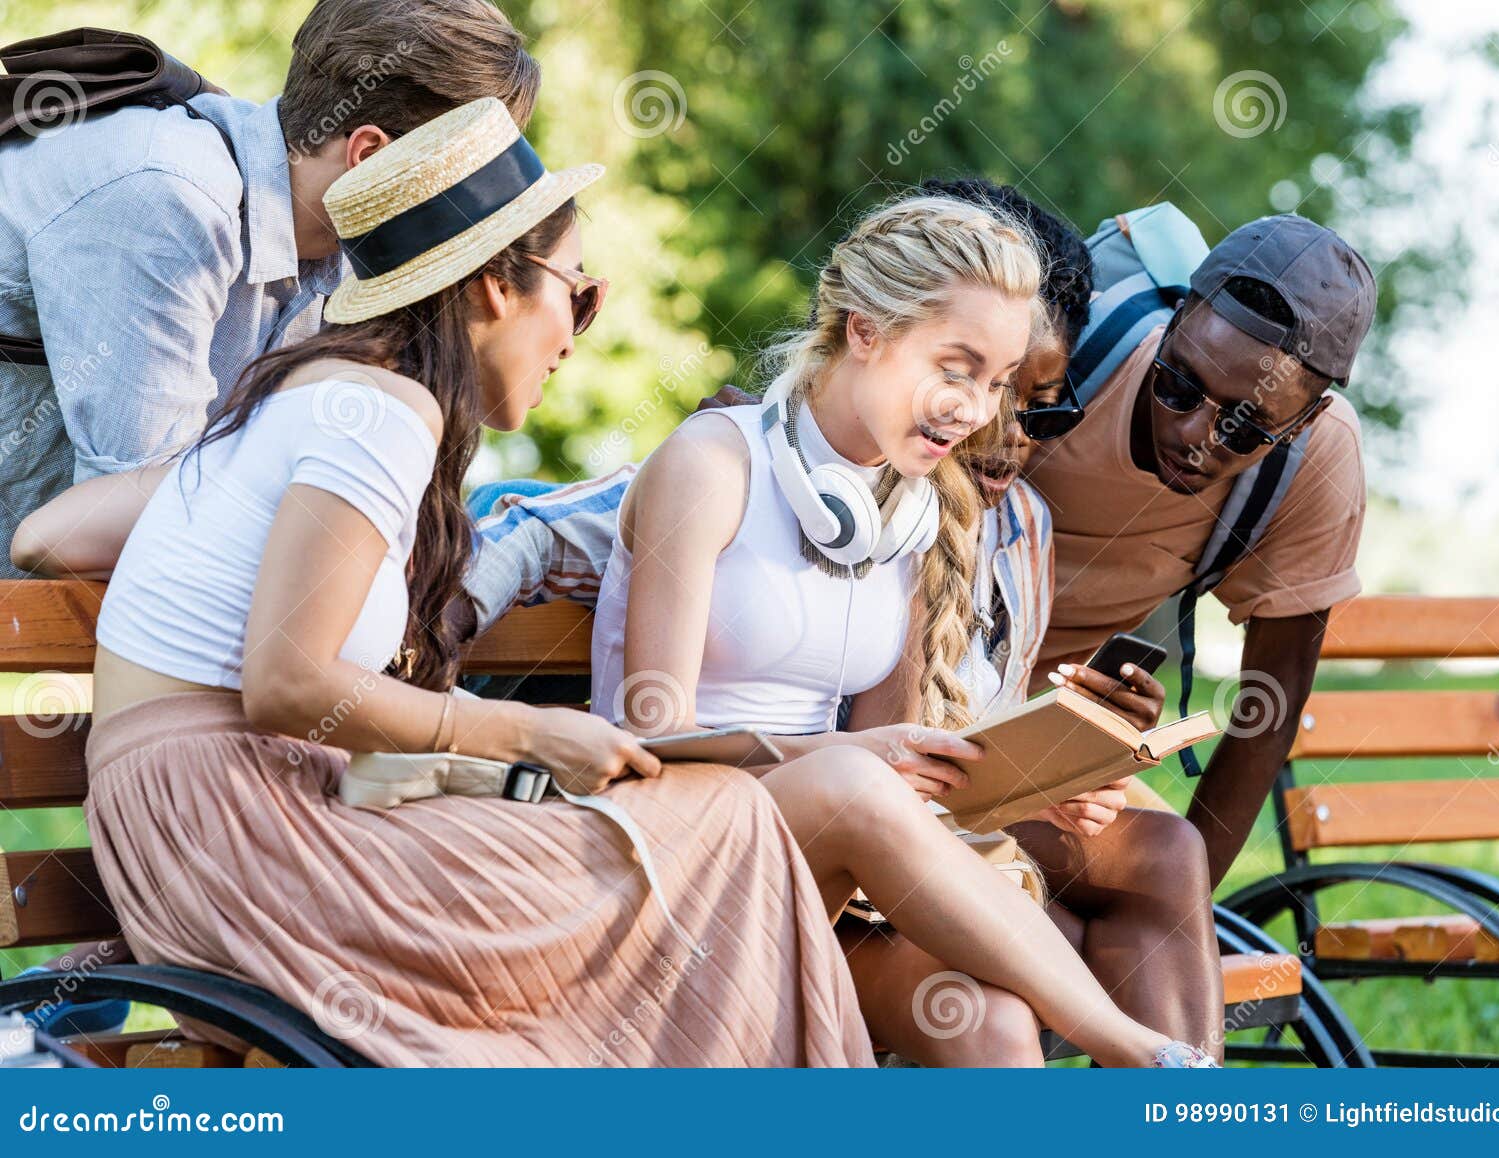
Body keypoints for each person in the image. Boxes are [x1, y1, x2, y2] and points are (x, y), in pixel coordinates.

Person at [11, 99, 872, 1067]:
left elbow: (64, 543)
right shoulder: (381, 409)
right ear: (497, 286)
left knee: (713, 824)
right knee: (724, 823)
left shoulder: (331, 390)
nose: (575, 335)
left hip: (221, 827)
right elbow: (287, 684)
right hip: (248, 839)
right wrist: (528, 731)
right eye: (577, 295)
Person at [590, 192, 1217, 1068]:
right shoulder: (713, 463)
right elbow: (648, 738)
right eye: (956, 368)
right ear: (864, 330)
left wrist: (1035, 783)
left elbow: (905, 767)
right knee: (851, 780)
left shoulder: (909, 513)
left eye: (997, 384)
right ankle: (1138, 1051)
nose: (977, 412)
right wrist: (846, 759)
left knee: (987, 1022)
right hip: (667, 853)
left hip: (820, 871)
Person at [834, 177, 1224, 1064]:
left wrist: (1063, 758)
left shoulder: (1022, 521)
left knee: (1159, 847)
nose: (1013, 436)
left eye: (1041, 406)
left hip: (960, 814)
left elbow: (981, 710)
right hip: (862, 846)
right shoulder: (849, 482)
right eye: (990, 391)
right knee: (1079, 950)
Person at [0, 0, 541, 578]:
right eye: (470, 183)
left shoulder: (336, 261)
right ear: (371, 156)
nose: (480, 221)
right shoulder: (170, 199)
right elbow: (136, 534)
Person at [1024, 212, 1375, 886]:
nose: (1194, 434)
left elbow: (1269, 708)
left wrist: (1188, 906)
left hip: (1046, 735)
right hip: (922, 690)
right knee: (1056, 928)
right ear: (1175, 323)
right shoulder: (1066, 357)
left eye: (1244, 426)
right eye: (1179, 384)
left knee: (1163, 876)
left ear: (1305, 420)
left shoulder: (1319, 460)